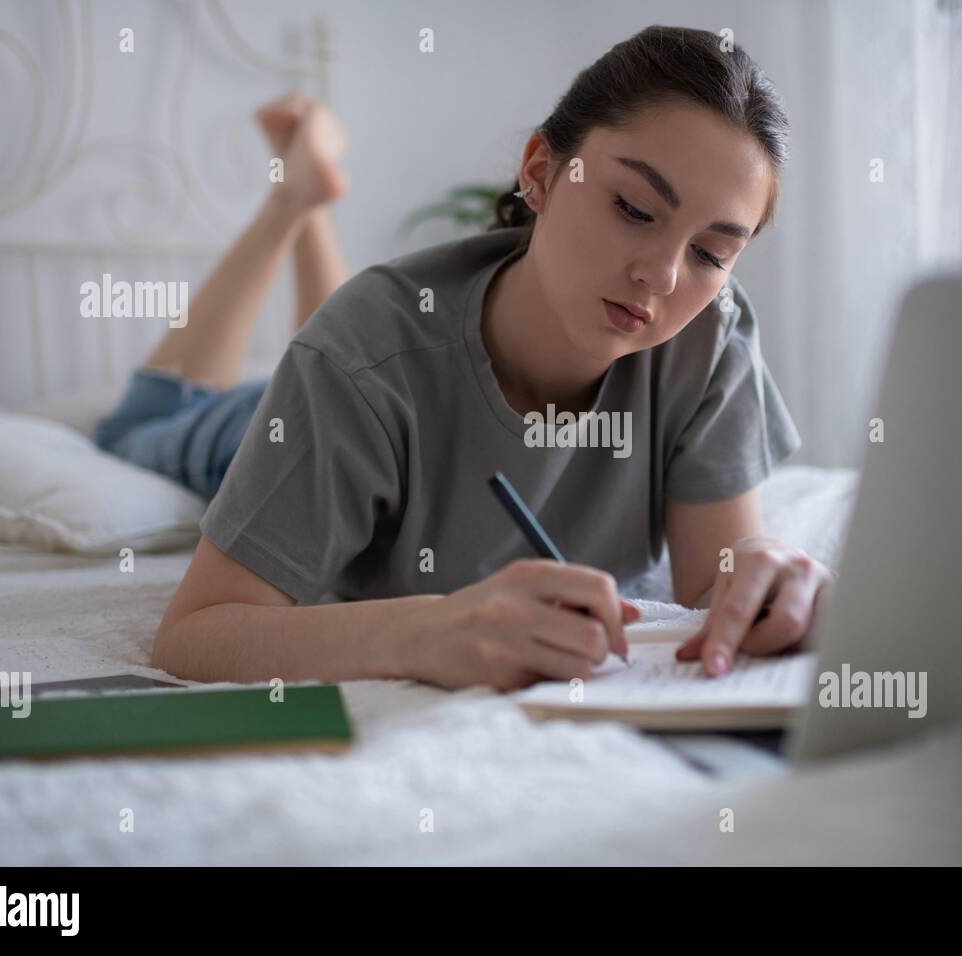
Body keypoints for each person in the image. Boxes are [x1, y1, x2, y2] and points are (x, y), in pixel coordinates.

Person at [99, 26, 835, 692]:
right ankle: (291, 204)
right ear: (540, 171)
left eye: (711, 253)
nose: (664, 277)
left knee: (358, 350)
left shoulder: (710, 338)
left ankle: (305, 201)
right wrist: (428, 630)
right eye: (636, 210)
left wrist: (764, 580)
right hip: (247, 426)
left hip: (364, 371)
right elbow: (194, 633)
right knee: (146, 420)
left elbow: (713, 580)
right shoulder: (364, 355)